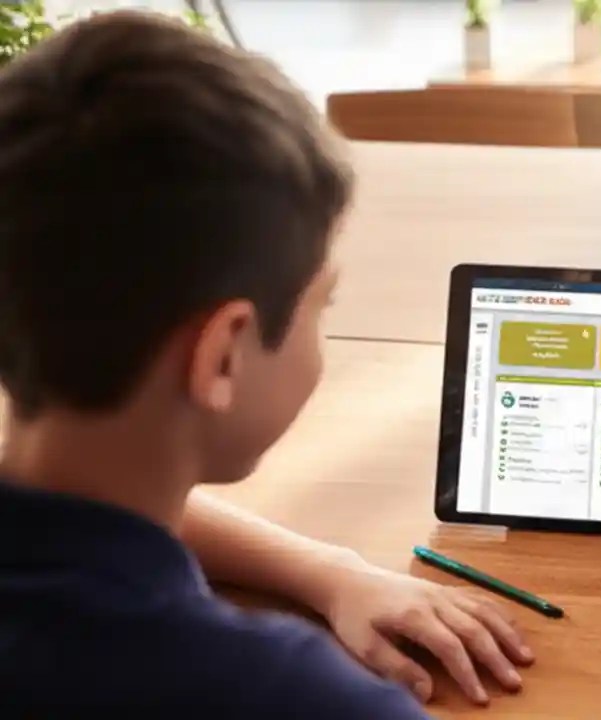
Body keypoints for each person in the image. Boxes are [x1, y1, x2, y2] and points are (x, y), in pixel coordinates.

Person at [0, 11, 533, 716]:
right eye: (323, 304)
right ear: (223, 355)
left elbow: (88, 493)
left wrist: (329, 569)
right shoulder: (287, 694)